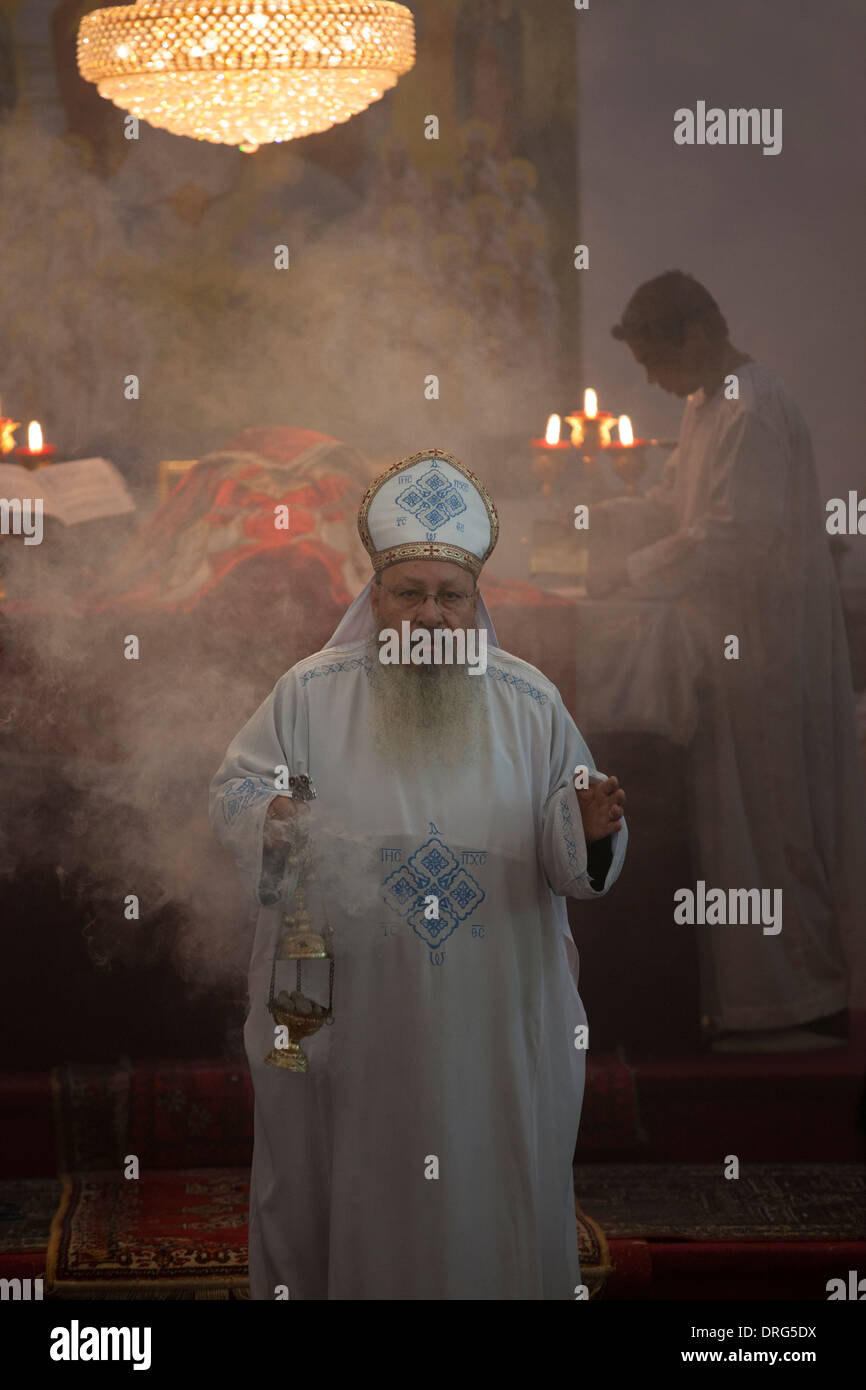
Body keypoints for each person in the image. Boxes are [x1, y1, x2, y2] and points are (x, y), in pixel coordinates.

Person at [210, 448, 627, 1299]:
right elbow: (232, 793)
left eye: (451, 596)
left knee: (488, 1197)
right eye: (410, 594)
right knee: (351, 1191)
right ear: (375, 600)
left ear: (476, 605)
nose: (431, 614)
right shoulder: (310, 694)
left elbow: (571, 849)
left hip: (492, 1022)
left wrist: (585, 830)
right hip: (353, 1020)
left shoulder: (529, 702)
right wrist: (270, 817)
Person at [611, 270, 866, 1052]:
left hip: (766, 645)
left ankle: (803, 1001)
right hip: (730, 646)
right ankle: (753, 1003)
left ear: (696, 336)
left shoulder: (752, 407)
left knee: (777, 816)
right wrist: (609, 516)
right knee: (737, 826)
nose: (652, 381)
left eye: (656, 361)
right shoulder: (706, 403)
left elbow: (731, 537)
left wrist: (629, 571)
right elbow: (681, 502)